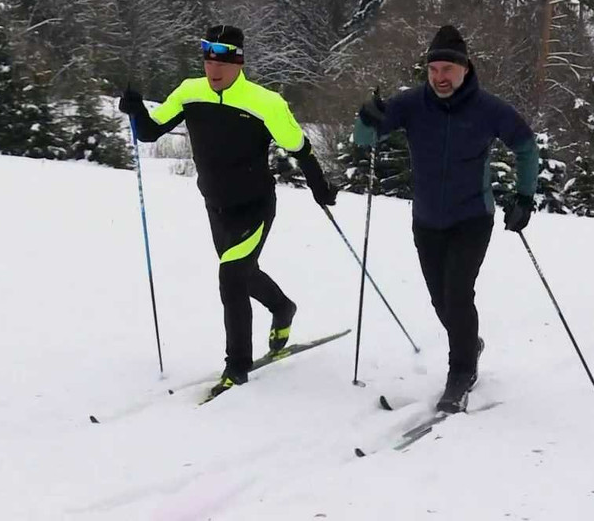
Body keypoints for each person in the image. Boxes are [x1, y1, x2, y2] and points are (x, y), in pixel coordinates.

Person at [119, 25, 338, 398]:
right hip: (215, 205)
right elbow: (151, 133)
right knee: (242, 274)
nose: (213, 68)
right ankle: (283, 307)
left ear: (239, 61)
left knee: (231, 277)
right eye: (208, 58)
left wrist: (320, 188)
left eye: (222, 60)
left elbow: (300, 148)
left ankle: (237, 368)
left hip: (254, 205)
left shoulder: (265, 102)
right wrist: (136, 109)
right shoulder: (190, 92)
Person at [354, 25, 539, 413]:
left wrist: (524, 197)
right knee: (441, 301)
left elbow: (526, 147)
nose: (440, 77)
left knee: (458, 294)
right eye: (433, 69)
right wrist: (366, 118)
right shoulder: (410, 104)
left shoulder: (490, 110)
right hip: (426, 219)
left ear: (466, 69)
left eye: (448, 70)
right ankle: (469, 343)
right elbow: (365, 142)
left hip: (472, 216)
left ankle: (461, 371)